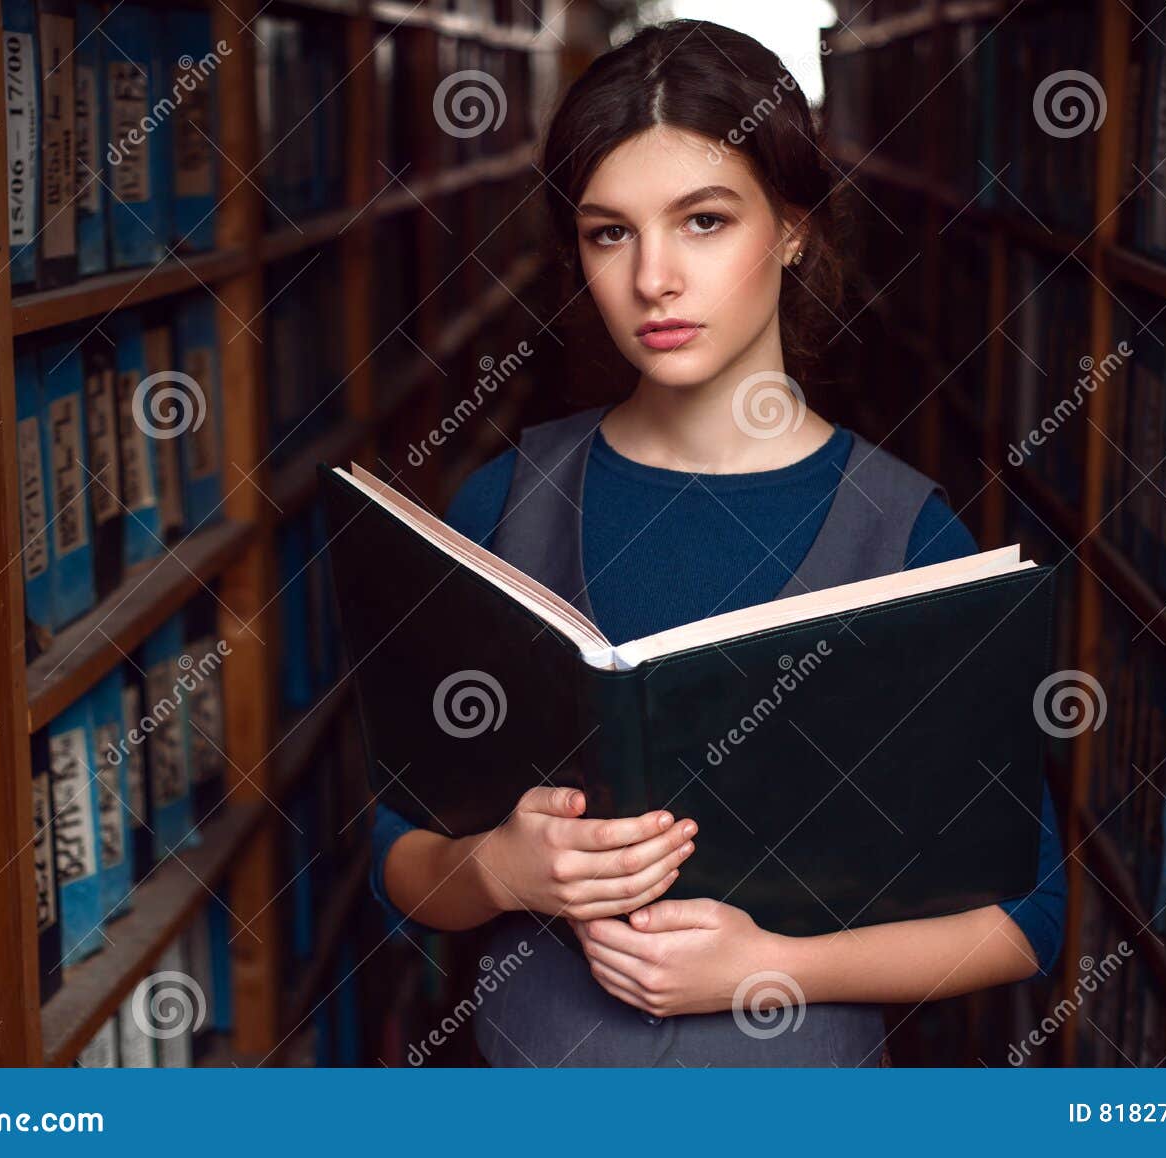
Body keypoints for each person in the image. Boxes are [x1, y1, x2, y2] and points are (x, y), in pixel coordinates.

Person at [369, 19, 1065, 1067]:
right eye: (610, 233)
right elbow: (395, 848)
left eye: (703, 221)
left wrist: (769, 967)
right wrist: (497, 873)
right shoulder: (501, 505)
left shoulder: (908, 537)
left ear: (792, 228)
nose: (654, 278)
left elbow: (1029, 916)